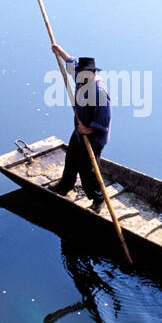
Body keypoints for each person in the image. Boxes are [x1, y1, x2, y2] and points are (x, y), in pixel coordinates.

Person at [49, 43, 111, 204]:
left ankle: (98, 199)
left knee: (87, 169)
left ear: (92, 73)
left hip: (94, 135)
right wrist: (58, 50)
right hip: (79, 129)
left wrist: (88, 129)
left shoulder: (99, 92)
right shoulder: (81, 75)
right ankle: (65, 185)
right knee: (71, 158)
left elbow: (104, 121)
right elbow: (71, 62)